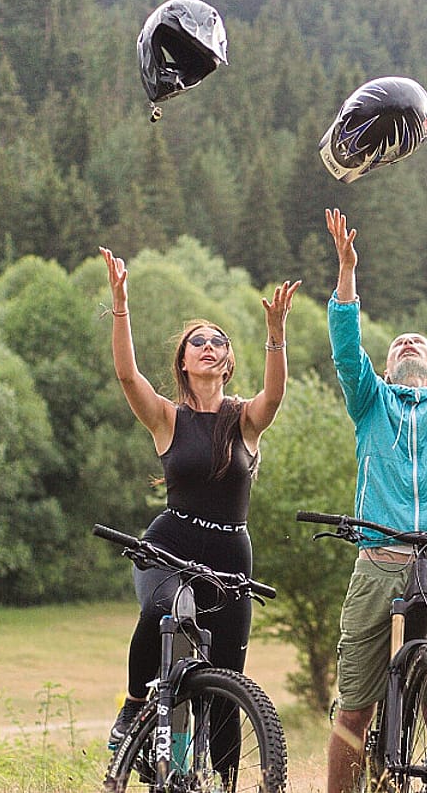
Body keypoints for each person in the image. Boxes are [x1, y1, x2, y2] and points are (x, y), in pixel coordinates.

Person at [100, 247, 300, 749]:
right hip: (167, 547)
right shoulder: (167, 418)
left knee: (228, 686)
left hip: (232, 553)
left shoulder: (245, 419)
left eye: (219, 341)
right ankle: (133, 706)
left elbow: (273, 396)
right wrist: (120, 306)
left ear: (229, 361)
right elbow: (128, 376)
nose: (209, 346)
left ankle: (222, 777)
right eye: (198, 342)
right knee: (172, 608)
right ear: (184, 362)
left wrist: (276, 336)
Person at [323, 208, 427, 793]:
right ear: (388, 369)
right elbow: (345, 348)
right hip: (377, 566)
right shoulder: (371, 403)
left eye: (417, 341)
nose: (407, 343)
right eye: (397, 345)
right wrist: (347, 273)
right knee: (355, 708)